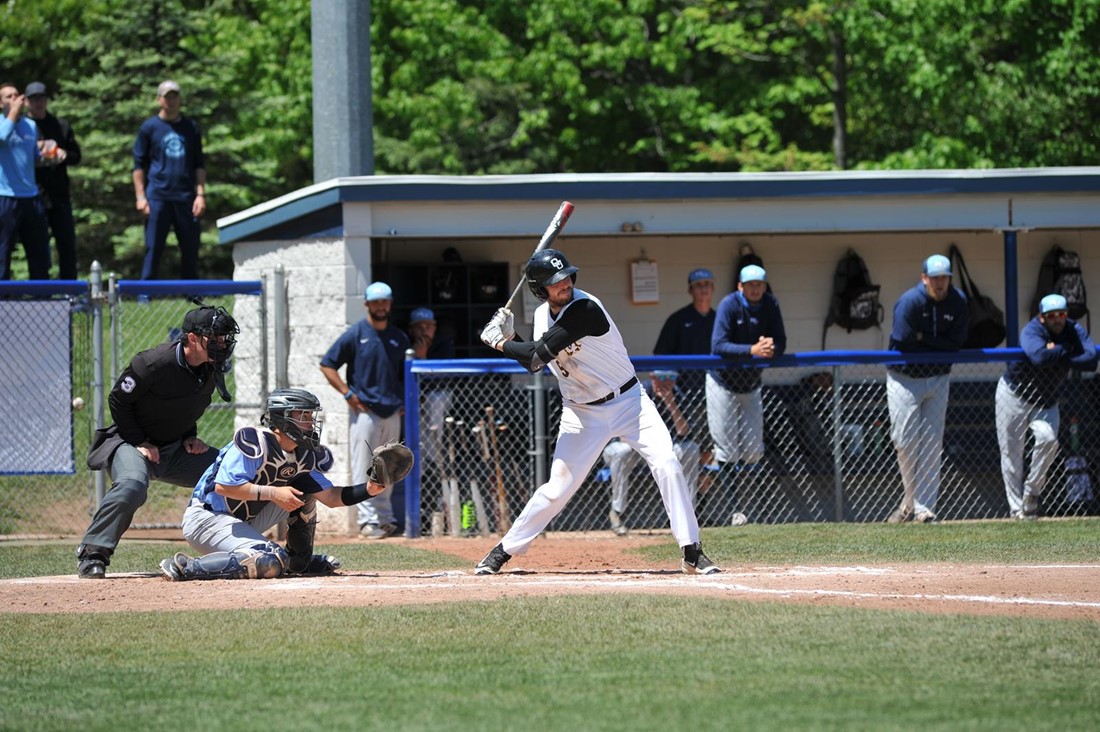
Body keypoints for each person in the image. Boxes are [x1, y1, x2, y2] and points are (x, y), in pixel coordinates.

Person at [475, 248, 719, 575]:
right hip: (581, 413)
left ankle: (692, 550)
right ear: (539, 289)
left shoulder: (586, 308)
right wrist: (511, 337)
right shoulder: (542, 318)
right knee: (557, 489)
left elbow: (534, 355)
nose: (565, 283)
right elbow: (536, 361)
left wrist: (500, 342)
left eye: (566, 276)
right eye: (554, 281)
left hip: (629, 402)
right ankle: (502, 551)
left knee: (668, 462)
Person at [159, 389, 411, 581]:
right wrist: (273, 492)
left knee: (305, 493)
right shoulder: (254, 441)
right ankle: (187, 568)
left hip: (241, 520)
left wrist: (370, 488)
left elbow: (332, 497)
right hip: (206, 519)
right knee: (269, 561)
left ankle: (298, 562)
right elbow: (224, 486)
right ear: (282, 420)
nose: (310, 422)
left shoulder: (303, 455)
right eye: (302, 416)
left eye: (310, 416)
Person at [76, 304, 240, 578]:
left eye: (224, 338)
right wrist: (140, 440)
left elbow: (186, 407)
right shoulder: (152, 363)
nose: (222, 344)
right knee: (132, 484)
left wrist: (190, 436)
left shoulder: (210, 368)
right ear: (191, 339)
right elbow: (118, 400)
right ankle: (93, 552)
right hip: (129, 442)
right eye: (215, 338)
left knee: (232, 472)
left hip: (175, 448)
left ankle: (241, 547)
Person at [321, 281, 410, 539]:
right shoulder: (355, 334)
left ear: (390, 304)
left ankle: (385, 519)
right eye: (376, 302)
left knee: (390, 465)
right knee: (365, 466)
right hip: (365, 411)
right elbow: (328, 364)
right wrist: (347, 393)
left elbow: (405, 374)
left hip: (392, 411)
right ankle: (368, 521)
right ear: (367, 304)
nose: (381, 306)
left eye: (385, 301)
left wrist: (403, 401)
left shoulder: (398, 336)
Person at [995, 294, 1097, 520]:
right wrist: (1069, 350)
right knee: (1011, 453)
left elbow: (1091, 359)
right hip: (1015, 394)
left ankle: (1031, 493)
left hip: (1047, 399)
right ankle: (1016, 510)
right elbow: (1038, 356)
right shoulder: (1033, 330)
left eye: (1061, 314)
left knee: (1049, 440)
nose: (1057, 319)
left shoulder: (1073, 330)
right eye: (1052, 316)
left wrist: (1057, 350)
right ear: (1042, 317)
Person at [885, 254, 968, 524]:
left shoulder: (957, 301)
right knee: (905, 442)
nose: (940, 283)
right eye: (935, 278)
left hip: (938, 378)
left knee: (932, 443)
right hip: (904, 379)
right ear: (924, 279)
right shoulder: (910, 301)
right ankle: (910, 503)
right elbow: (904, 340)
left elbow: (956, 342)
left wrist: (925, 339)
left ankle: (923, 509)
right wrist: (937, 342)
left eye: (944, 278)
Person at [707, 264, 786, 524]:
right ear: (740, 286)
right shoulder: (730, 304)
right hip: (723, 383)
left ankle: (755, 508)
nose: (755, 289)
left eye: (759, 284)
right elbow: (718, 345)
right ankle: (735, 510)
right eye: (750, 284)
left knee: (753, 449)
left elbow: (781, 341)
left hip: (751, 384)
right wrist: (752, 349)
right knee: (727, 450)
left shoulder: (770, 304)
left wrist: (770, 348)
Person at [601, 371, 701, 536]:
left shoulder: (678, 395)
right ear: (652, 378)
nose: (665, 383)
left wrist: (671, 403)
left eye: (670, 378)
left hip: (660, 449)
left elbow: (683, 432)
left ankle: (687, 515)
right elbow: (622, 435)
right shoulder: (638, 392)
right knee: (623, 452)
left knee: (690, 449)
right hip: (625, 446)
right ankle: (616, 512)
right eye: (661, 378)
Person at [132, 80, 206, 280]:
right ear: (159, 100)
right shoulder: (149, 128)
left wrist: (200, 195)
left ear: (180, 99)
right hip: (157, 196)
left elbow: (199, 164)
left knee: (190, 248)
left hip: (186, 197)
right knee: (153, 247)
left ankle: (192, 295)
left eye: (175, 96)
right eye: (167, 97)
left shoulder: (190, 128)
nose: (171, 101)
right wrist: (141, 197)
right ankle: (145, 294)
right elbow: (138, 165)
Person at [25, 82, 81, 280]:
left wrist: (63, 154)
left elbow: (76, 156)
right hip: (34, 195)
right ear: (26, 102)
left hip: (59, 195)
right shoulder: (24, 127)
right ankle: (40, 293)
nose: (38, 103)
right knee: (38, 248)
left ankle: (69, 291)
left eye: (41, 98)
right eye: (34, 99)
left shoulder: (61, 125)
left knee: (66, 244)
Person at [408, 306, 455, 520]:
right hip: (412, 406)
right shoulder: (405, 345)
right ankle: (419, 508)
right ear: (412, 329)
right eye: (420, 327)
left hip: (437, 404)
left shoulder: (443, 344)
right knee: (418, 456)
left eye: (429, 326)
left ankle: (436, 505)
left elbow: (440, 379)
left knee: (434, 453)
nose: (425, 330)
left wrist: (423, 358)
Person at [0, 81, 50, 280]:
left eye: (16, 95)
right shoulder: (2, 124)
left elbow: (34, 158)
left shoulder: (30, 125)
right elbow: (3, 137)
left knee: (39, 253)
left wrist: (48, 156)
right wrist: (13, 112)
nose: (15, 99)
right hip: (5, 197)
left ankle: (41, 300)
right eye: (9, 96)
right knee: (2, 253)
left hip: (31, 197)